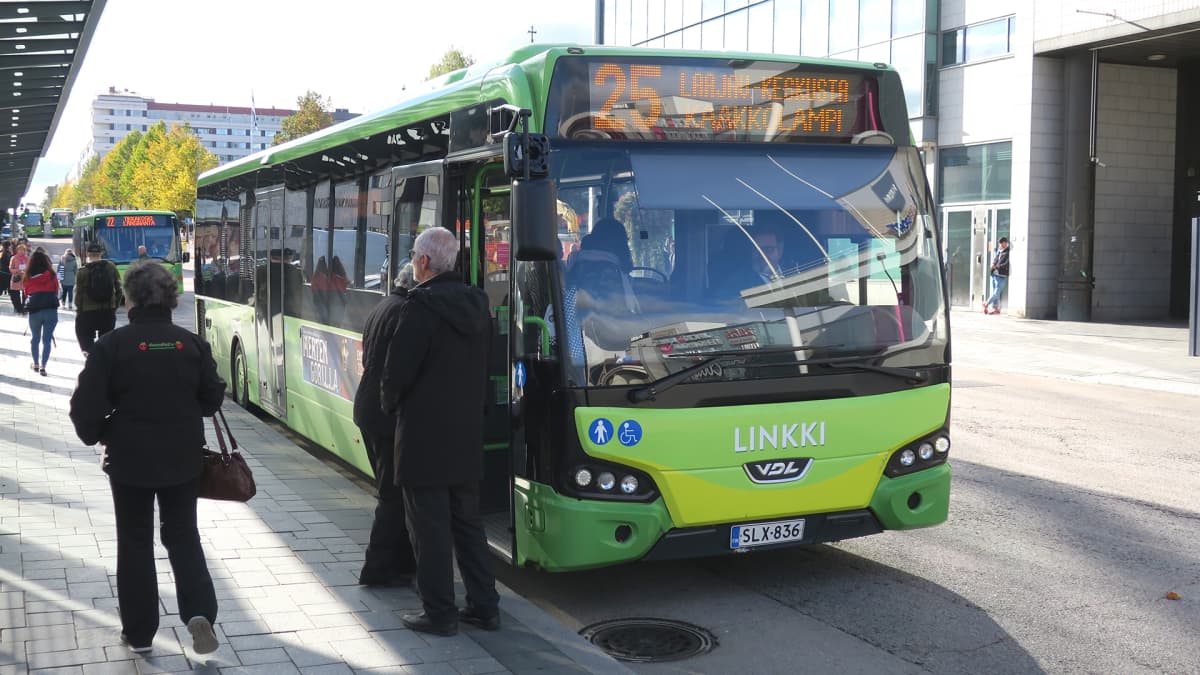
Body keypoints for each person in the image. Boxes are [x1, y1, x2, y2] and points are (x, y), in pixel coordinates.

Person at [68, 261, 225, 656]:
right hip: (183, 458)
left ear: (130, 298)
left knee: (135, 541)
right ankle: (199, 613)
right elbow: (211, 398)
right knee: (183, 535)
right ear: (171, 297)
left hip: (129, 461)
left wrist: (101, 433)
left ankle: (139, 633)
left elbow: (85, 409)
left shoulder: (112, 347)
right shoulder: (189, 343)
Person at [380, 228, 500, 636]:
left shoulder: (419, 308)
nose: (413, 260)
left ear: (424, 262)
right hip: (465, 435)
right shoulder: (478, 304)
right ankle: (485, 607)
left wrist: (389, 407)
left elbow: (396, 375)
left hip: (422, 439)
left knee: (429, 531)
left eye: (414, 254)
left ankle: (440, 613)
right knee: (468, 525)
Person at [353, 264, 418, 587]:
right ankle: (377, 568)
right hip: (383, 413)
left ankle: (402, 562)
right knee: (391, 494)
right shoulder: (405, 311)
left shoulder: (383, 306)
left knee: (393, 491)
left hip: (369, 408)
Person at [75, 243, 124, 355]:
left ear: (88, 254)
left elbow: (78, 294)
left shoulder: (82, 271)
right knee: (106, 343)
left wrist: (79, 310)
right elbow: (119, 289)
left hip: (87, 313)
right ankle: (105, 362)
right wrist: (114, 306)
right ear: (101, 253)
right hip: (107, 311)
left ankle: (91, 358)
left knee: (85, 339)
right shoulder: (111, 267)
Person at [23, 249, 60, 376]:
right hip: (50, 310)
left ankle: (36, 363)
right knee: (47, 340)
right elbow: (56, 291)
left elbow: (26, 293)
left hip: (35, 311)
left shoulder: (28, 276)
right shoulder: (52, 275)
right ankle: (44, 366)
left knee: (35, 338)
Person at [985, 237, 1010, 315]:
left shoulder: (1008, 252)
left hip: (1001, 275)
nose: (999, 245)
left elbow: (1006, 263)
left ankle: (986, 303)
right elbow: (996, 259)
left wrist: (997, 266)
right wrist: (993, 264)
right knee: (995, 292)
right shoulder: (1000, 251)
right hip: (994, 274)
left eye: (1000, 243)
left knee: (997, 292)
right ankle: (996, 309)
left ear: (1005, 243)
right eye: (999, 243)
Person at [8, 242, 29, 314]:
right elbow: (10, 268)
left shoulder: (27, 258)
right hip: (16, 278)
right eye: (20, 250)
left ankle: (24, 308)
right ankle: (18, 308)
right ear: (17, 250)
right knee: (15, 295)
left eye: (23, 250)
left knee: (25, 294)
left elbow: (29, 268)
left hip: (25, 278)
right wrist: (17, 271)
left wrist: (25, 271)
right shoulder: (13, 258)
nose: (21, 251)